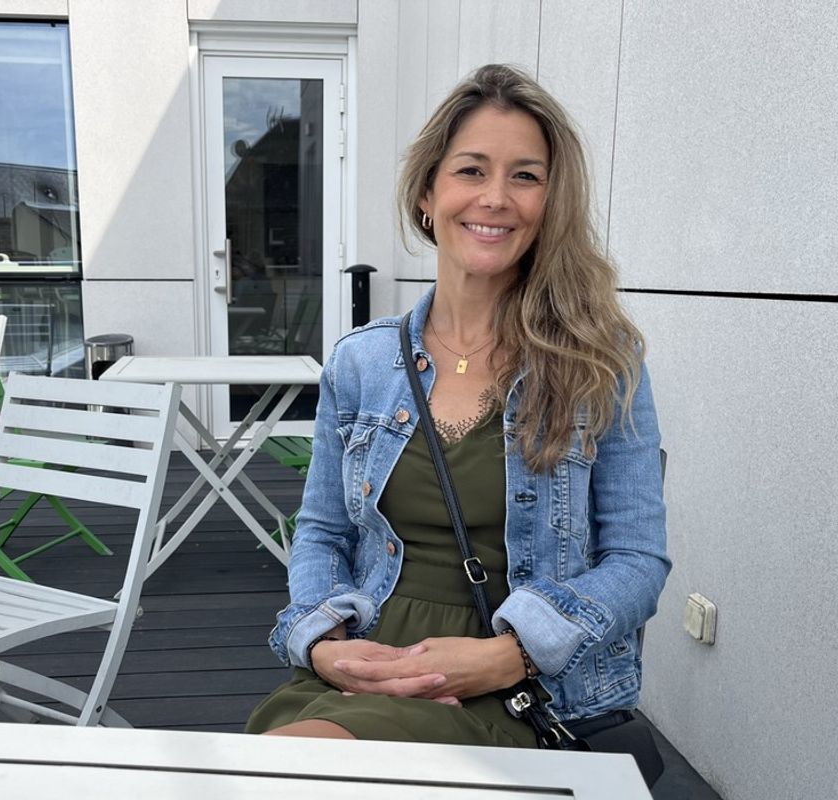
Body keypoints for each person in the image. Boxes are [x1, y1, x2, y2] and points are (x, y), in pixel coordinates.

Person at [246, 63, 669, 747]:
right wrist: (323, 642)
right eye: (472, 170)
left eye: (525, 176)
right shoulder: (359, 362)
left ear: (550, 203)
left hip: (520, 687)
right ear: (427, 192)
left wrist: (511, 654)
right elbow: (322, 531)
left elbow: (637, 560)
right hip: (372, 659)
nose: (496, 197)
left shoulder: (601, 363)